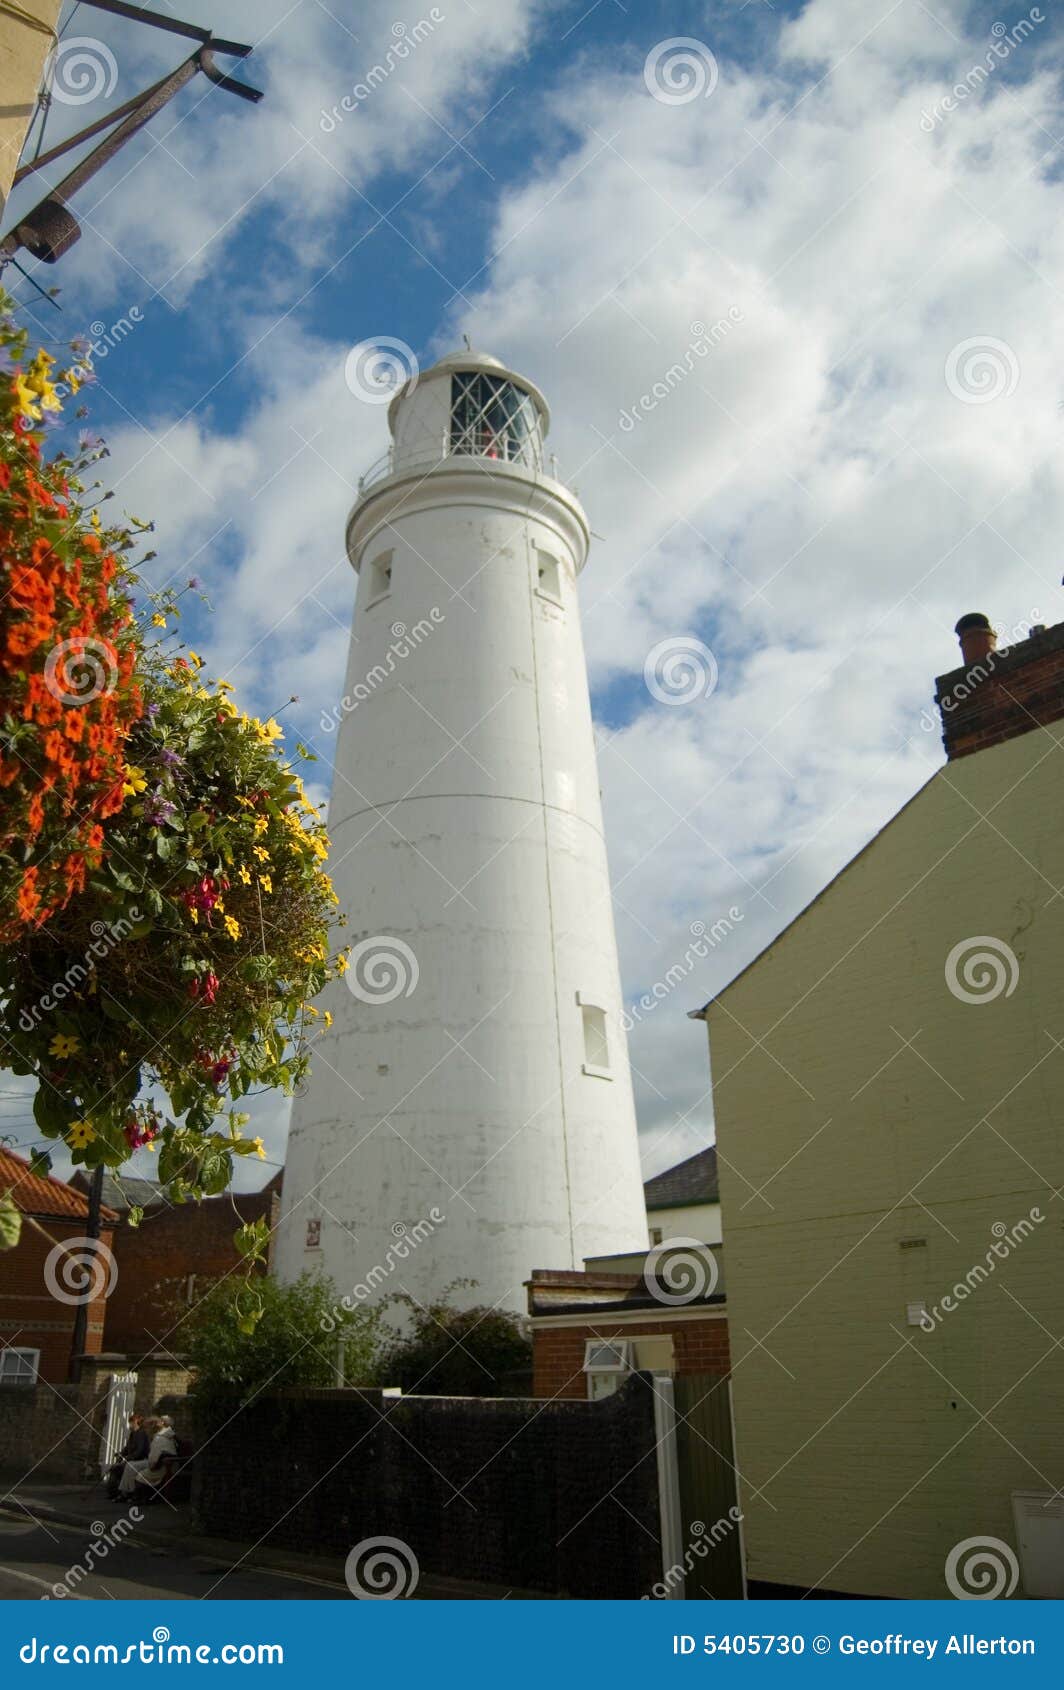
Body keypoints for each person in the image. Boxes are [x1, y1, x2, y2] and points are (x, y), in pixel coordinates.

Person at [117, 1416, 177, 1499]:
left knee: (131, 1466)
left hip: (160, 1467)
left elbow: (153, 1460)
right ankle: (126, 1491)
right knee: (130, 1465)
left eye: (148, 1427)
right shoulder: (163, 1435)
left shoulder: (160, 1438)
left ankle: (130, 1493)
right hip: (159, 1463)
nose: (147, 1430)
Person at [104, 1413, 149, 1500]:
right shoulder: (133, 1434)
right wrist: (121, 1454)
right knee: (114, 1468)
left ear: (136, 1422)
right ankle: (113, 1492)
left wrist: (128, 1458)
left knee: (119, 1468)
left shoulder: (141, 1434)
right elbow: (128, 1447)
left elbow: (140, 1451)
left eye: (131, 1422)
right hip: (132, 1459)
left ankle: (125, 1493)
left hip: (139, 1460)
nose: (130, 1424)